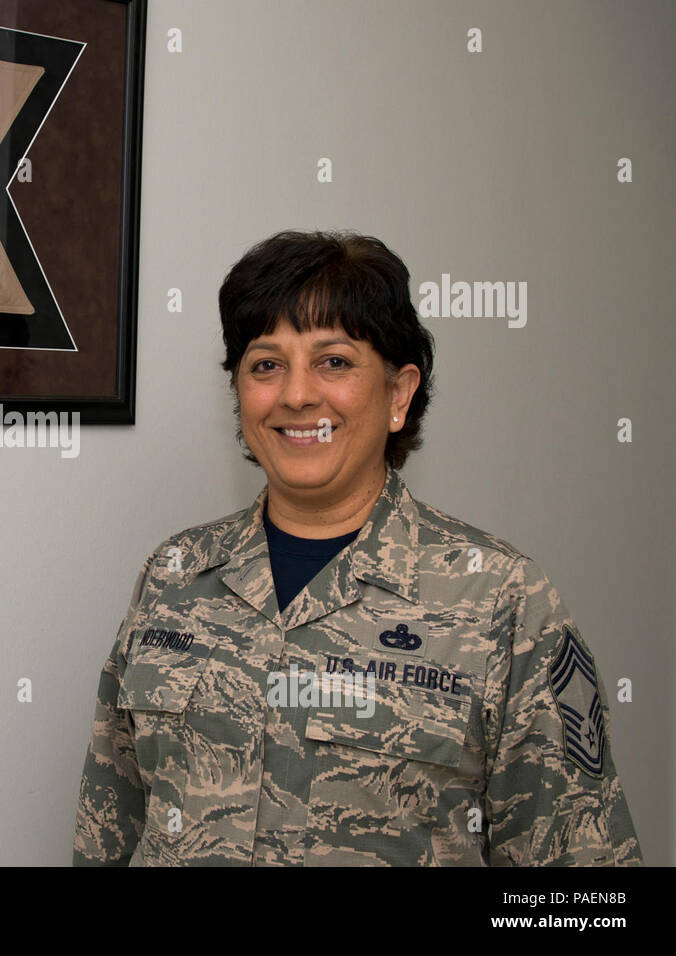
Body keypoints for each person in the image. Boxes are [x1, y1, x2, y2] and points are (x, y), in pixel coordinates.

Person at [72, 230, 643, 866]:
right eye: (266, 364)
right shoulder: (174, 575)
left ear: (399, 393)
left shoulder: (501, 602)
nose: (295, 394)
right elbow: (108, 827)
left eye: (334, 361)